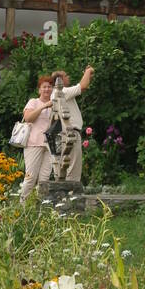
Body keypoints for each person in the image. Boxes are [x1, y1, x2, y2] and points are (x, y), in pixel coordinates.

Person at [49, 65, 94, 193]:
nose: (68, 77)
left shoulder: (61, 93)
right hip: (70, 133)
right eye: (66, 76)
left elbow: (82, 85)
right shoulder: (62, 92)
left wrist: (87, 75)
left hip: (66, 133)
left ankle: (66, 196)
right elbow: (83, 86)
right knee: (72, 167)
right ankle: (72, 198)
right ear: (60, 80)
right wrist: (88, 71)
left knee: (66, 166)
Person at [19, 76, 58, 203]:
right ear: (39, 89)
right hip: (33, 143)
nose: (47, 89)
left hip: (49, 144)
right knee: (30, 177)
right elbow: (28, 118)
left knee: (44, 179)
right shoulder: (33, 102)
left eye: (49, 87)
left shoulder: (55, 104)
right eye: (44, 87)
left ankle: (38, 207)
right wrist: (44, 106)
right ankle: (22, 206)